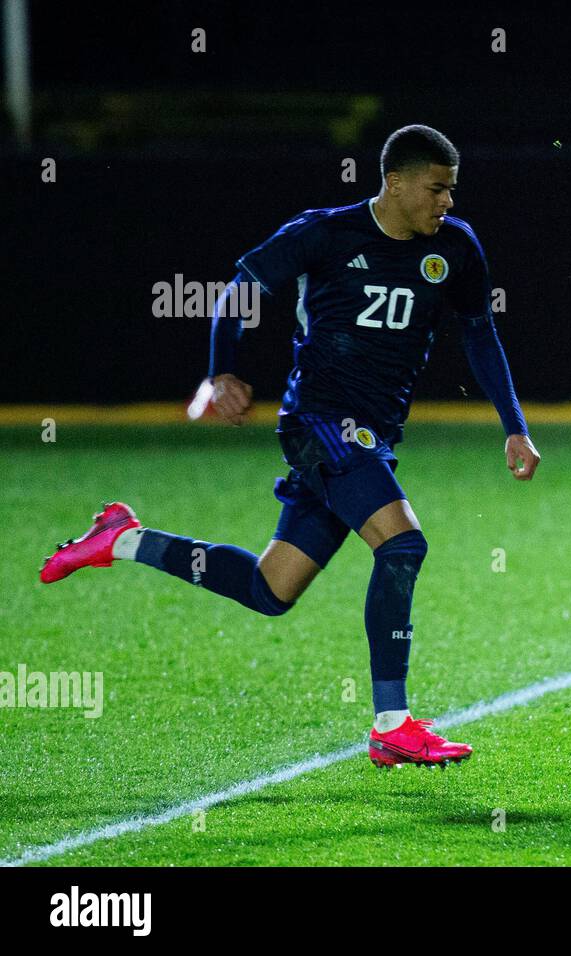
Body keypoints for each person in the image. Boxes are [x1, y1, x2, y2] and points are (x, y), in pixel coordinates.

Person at [41, 125, 540, 769]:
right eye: (436, 188)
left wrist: (514, 425)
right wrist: (223, 370)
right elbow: (240, 291)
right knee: (403, 543)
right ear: (394, 183)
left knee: (269, 590)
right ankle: (392, 722)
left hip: (374, 436)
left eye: (452, 189)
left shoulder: (456, 247)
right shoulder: (325, 232)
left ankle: (123, 538)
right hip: (321, 422)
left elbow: (479, 334)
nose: (448, 201)